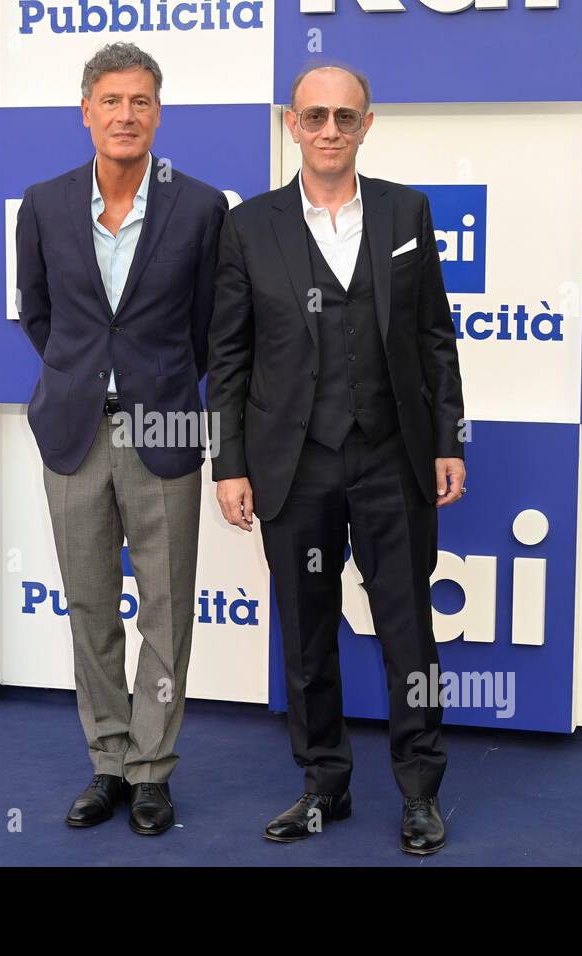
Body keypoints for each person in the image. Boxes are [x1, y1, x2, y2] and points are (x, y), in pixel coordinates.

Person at [206, 64, 467, 854]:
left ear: (367, 124)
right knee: (306, 634)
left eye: (344, 117)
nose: (329, 129)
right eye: (314, 115)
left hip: (394, 458)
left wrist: (448, 440)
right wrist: (229, 461)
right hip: (294, 464)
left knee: (407, 633)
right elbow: (230, 355)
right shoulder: (249, 226)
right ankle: (324, 786)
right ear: (292, 123)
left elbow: (434, 340)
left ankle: (420, 793)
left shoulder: (406, 212)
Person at [15, 42, 228, 836]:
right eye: (111, 101)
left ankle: (152, 771)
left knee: (167, 613)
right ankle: (107, 761)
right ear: (86, 110)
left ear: (158, 113)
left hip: (165, 431)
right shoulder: (42, 203)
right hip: (73, 432)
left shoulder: (202, 208)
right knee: (88, 605)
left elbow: (211, 329)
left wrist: (157, 383)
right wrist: (83, 379)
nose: (125, 116)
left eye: (140, 102)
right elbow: (40, 317)